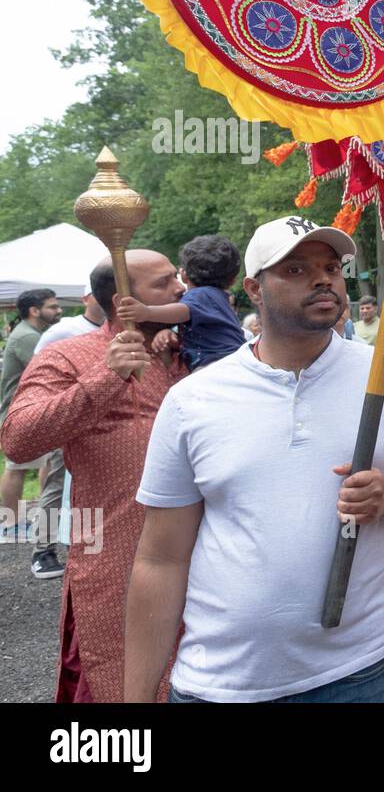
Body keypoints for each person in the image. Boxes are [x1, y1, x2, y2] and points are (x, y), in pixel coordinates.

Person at [124, 216, 384, 703]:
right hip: (223, 680)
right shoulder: (194, 399)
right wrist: (136, 696)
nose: (322, 279)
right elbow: (161, 558)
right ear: (254, 288)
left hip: (359, 667)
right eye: (295, 270)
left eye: (331, 268)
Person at [1, 253, 187, 701]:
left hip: (209, 559)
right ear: (124, 301)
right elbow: (18, 439)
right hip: (118, 563)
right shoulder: (70, 355)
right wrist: (106, 376)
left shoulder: (188, 350)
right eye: (165, 283)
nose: (181, 288)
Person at [26, 283, 107, 580]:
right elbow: (38, 372)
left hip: (104, 426)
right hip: (70, 423)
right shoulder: (65, 330)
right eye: (101, 293)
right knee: (58, 485)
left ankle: (89, 545)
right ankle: (43, 551)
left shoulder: (124, 329)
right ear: (87, 298)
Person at [116, 234, 246, 370]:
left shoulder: (200, 294)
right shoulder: (219, 298)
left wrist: (147, 312)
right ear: (233, 281)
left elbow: (183, 311)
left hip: (216, 363)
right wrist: (173, 336)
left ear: (183, 274)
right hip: (230, 360)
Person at [1, 288, 62, 542]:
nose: (58, 311)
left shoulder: (34, 333)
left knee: (46, 463)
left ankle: (43, 517)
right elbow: (49, 370)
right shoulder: (27, 336)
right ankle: (9, 525)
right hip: (20, 415)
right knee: (18, 468)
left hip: (35, 413)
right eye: (52, 307)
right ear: (34, 311)